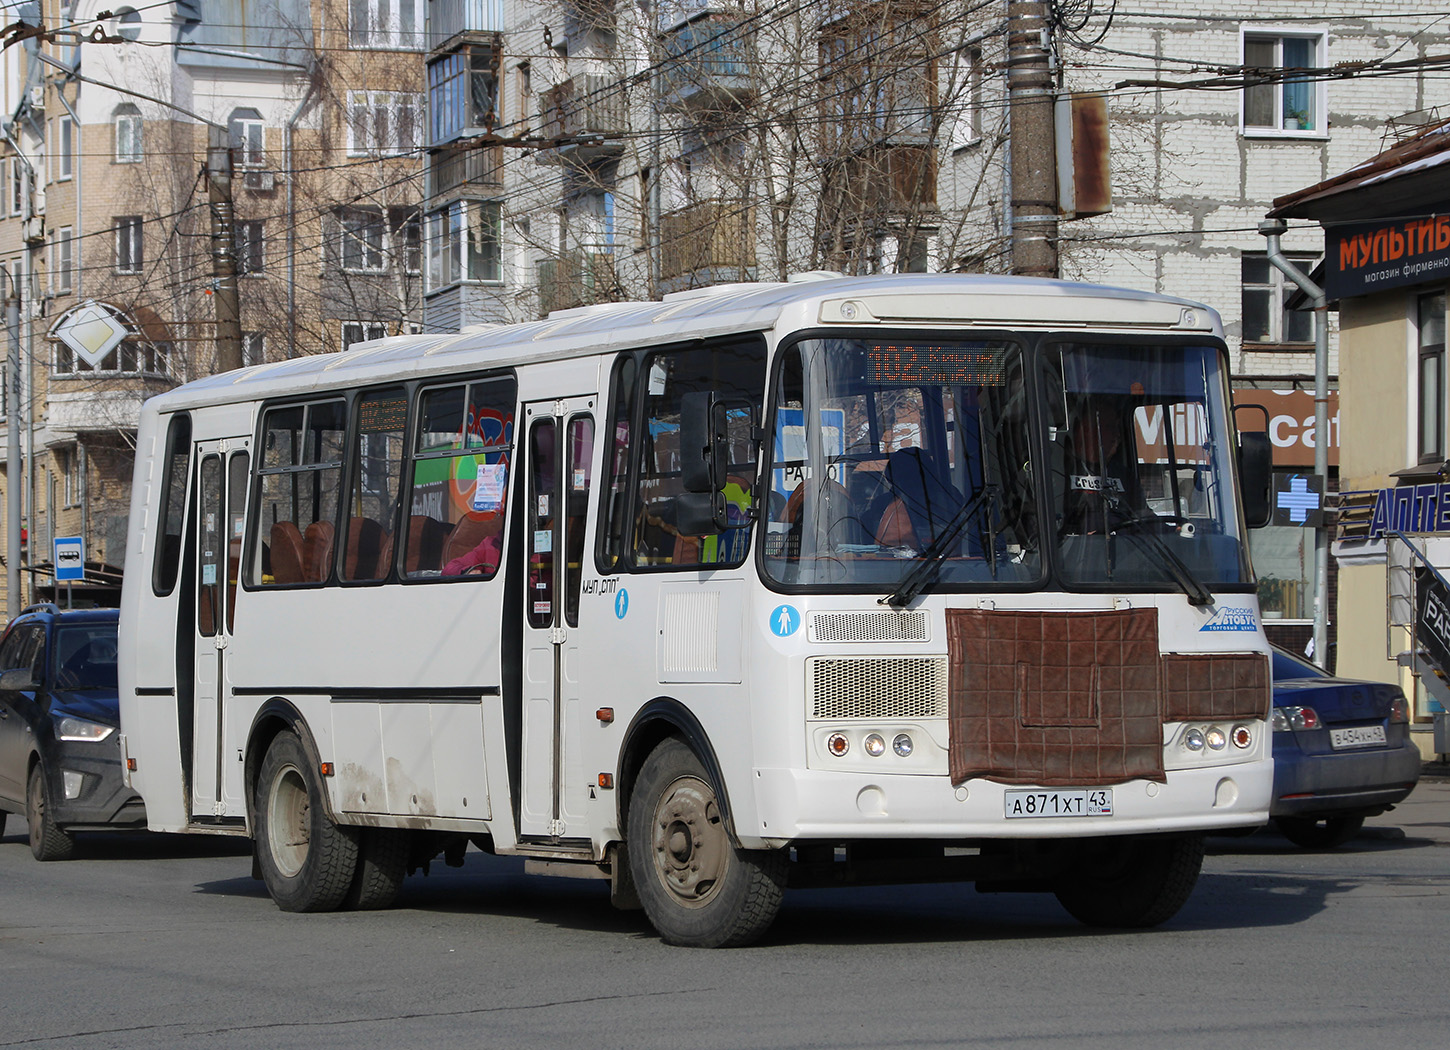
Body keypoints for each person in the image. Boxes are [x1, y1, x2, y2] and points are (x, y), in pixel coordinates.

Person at [1059, 399, 1144, 535]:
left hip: (1127, 551)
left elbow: (1144, 517)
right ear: (1085, 430)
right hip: (1078, 553)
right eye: (1110, 427)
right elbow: (1054, 526)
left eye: (1118, 428)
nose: (1117, 435)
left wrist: (1171, 531)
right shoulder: (1060, 472)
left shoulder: (1124, 476)